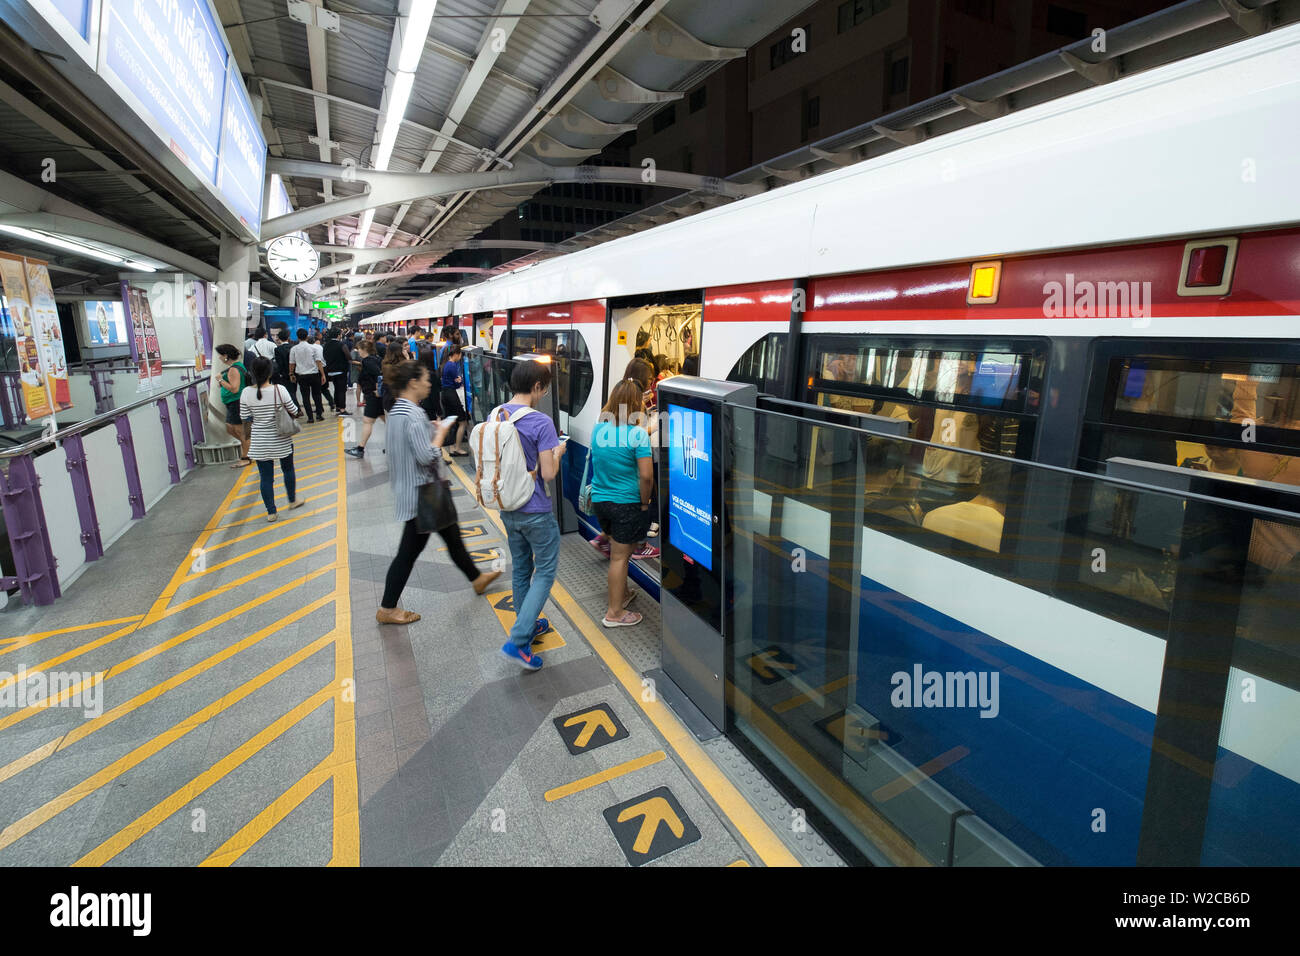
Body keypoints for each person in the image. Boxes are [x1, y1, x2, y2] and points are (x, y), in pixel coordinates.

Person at [377, 361, 501, 624]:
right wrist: (441, 433)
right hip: (421, 495)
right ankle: (387, 608)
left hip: (418, 491)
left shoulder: (398, 410)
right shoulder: (413, 414)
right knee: (407, 554)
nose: (429, 383)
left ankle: (477, 579)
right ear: (413, 383)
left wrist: (429, 432)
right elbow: (426, 456)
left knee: (453, 537)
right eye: (425, 379)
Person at [493, 359, 566, 671]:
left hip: (508, 507)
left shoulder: (496, 414)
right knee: (546, 572)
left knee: (521, 569)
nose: (544, 393)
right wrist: (558, 453)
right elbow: (548, 474)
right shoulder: (541, 422)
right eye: (544, 388)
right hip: (535, 510)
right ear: (538, 387)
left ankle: (526, 623)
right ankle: (519, 638)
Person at [590, 379, 656, 627]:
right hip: (626, 504)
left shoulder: (599, 429)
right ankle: (614, 613)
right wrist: (644, 503)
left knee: (620, 555)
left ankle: (623, 594)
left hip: (600, 501)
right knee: (620, 558)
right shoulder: (638, 435)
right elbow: (647, 476)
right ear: (635, 404)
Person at [240, 357, 305, 523]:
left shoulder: (246, 392)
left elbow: (245, 418)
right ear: (270, 372)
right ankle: (292, 501)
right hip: (281, 439)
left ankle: (271, 512)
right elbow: (294, 410)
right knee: (288, 469)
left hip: (260, 441)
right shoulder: (279, 390)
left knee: (266, 477)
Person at [346, 340, 384, 459]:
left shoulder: (368, 361)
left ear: (364, 349)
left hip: (373, 396)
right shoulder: (376, 358)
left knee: (368, 422)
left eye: (359, 349)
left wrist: (378, 390)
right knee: (389, 421)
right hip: (376, 396)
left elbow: (378, 374)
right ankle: (397, 445)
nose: (358, 351)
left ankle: (360, 449)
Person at [215, 344, 251, 468]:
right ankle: (248, 448)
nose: (219, 357)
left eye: (220, 355)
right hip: (234, 402)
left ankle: (246, 456)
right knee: (231, 428)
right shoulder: (237, 366)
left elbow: (234, 389)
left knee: (240, 431)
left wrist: (221, 380)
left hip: (236, 401)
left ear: (226, 356)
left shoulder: (233, 369)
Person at [439, 343, 470, 456]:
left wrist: (458, 380)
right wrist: (460, 380)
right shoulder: (452, 366)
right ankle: (457, 448)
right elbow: (457, 384)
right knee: (462, 421)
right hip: (451, 395)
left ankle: (452, 448)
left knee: (451, 421)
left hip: (445, 394)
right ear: (456, 354)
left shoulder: (446, 364)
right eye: (460, 354)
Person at [289, 328, 326, 422]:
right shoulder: (313, 348)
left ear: (298, 337)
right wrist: (323, 374)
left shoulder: (294, 349)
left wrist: (291, 374)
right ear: (307, 336)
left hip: (301, 376)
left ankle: (310, 417)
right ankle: (319, 415)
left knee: (305, 397)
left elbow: (292, 363)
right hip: (314, 374)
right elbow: (318, 362)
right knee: (317, 395)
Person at [323, 329, 350, 415]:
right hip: (341, 371)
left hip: (330, 371)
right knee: (342, 390)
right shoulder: (341, 344)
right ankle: (342, 409)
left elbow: (324, 356)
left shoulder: (326, 345)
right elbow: (348, 356)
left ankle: (337, 407)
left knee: (336, 389)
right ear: (338, 335)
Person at [272, 329, 294, 402]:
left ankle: (295, 409)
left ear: (279, 338)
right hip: (294, 373)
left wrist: (280, 373)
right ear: (288, 337)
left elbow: (279, 363)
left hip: (284, 374)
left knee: (286, 392)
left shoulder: (278, 349)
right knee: (293, 391)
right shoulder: (293, 347)